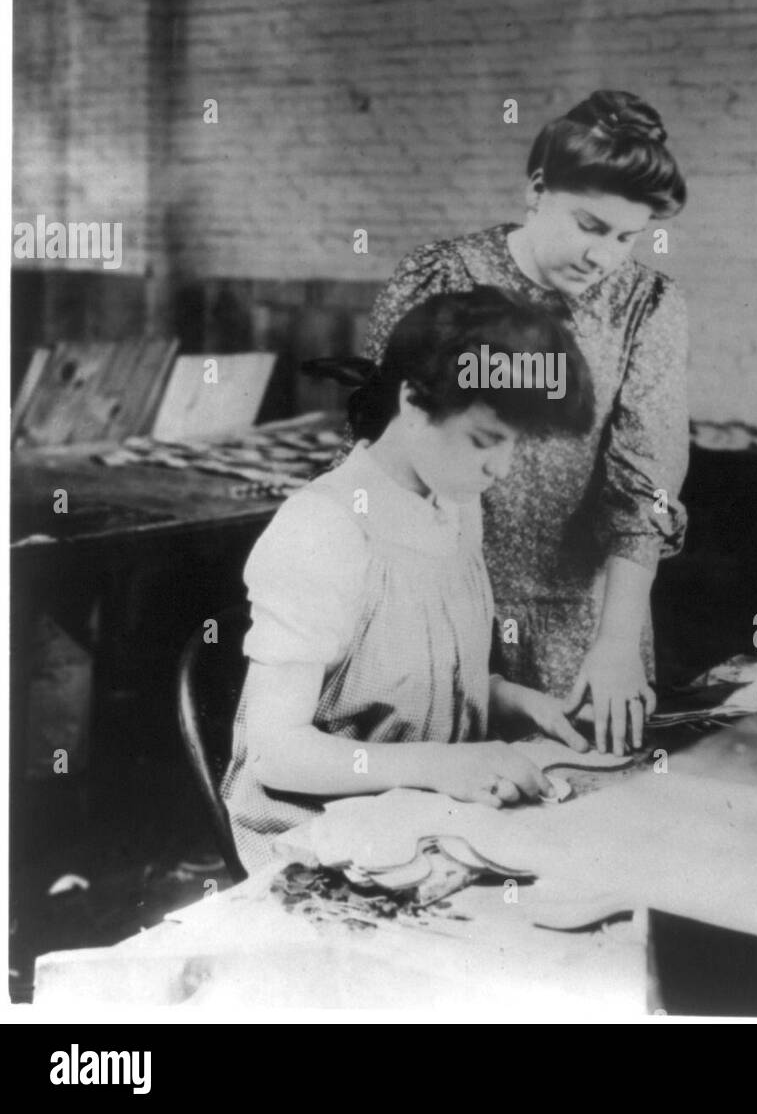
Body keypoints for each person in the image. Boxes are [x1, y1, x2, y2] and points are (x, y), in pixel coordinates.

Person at [222, 287, 595, 875]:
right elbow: (275, 753)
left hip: (428, 813)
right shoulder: (325, 527)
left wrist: (506, 698)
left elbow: (410, 676)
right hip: (318, 840)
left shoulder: (453, 504)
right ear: (414, 407)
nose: (501, 469)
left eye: (517, 446)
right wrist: (443, 766)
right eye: (485, 441)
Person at [361, 90, 689, 756]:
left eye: (626, 237)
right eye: (589, 225)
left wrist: (618, 643)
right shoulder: (439, 278)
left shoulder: (648, 305)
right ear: (537, 189)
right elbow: (379, 450)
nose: (604, 256)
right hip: (441, 606)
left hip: (590, 625)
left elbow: (644, 490)